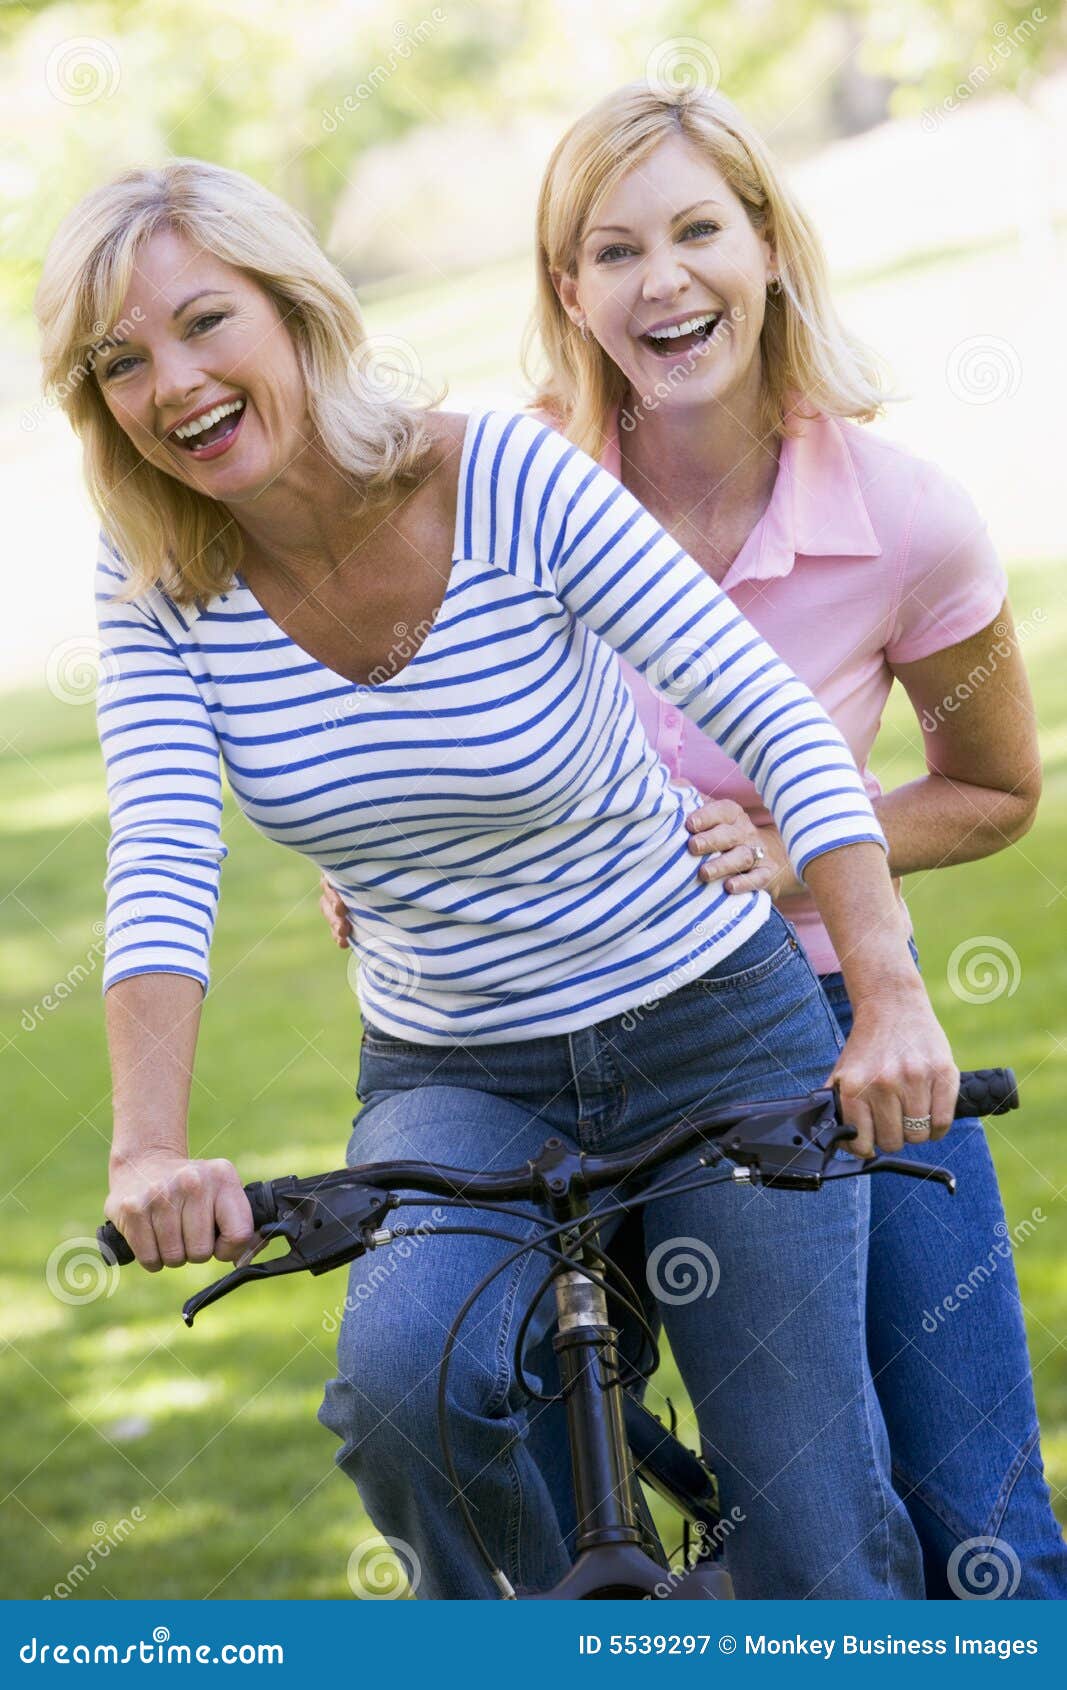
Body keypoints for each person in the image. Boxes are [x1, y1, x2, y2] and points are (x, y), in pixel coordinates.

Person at [36, 157, 960, 1602]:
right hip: (456, 1070)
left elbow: (775, 722)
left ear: (294, 313)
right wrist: (144, 1151)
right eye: (122, 362)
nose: (175, 384)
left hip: (710, 1015)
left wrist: (889, 997)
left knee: (814, 1538)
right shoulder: (154, 575)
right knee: (406, 1394)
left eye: (206, 322)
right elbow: (161, 848)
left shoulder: (503, 477)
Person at [322, 81, 1065, 1598]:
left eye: (698, 231)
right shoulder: (489, 498)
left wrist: (786, 853)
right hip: (537, 1040)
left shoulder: (905, 516)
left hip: (813, 1024)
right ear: (568, 292)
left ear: (770, 247)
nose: (662, 280)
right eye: (612, 250)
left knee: (981, 1530)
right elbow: (384, 732)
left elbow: (993, 788)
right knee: (450, 1399)